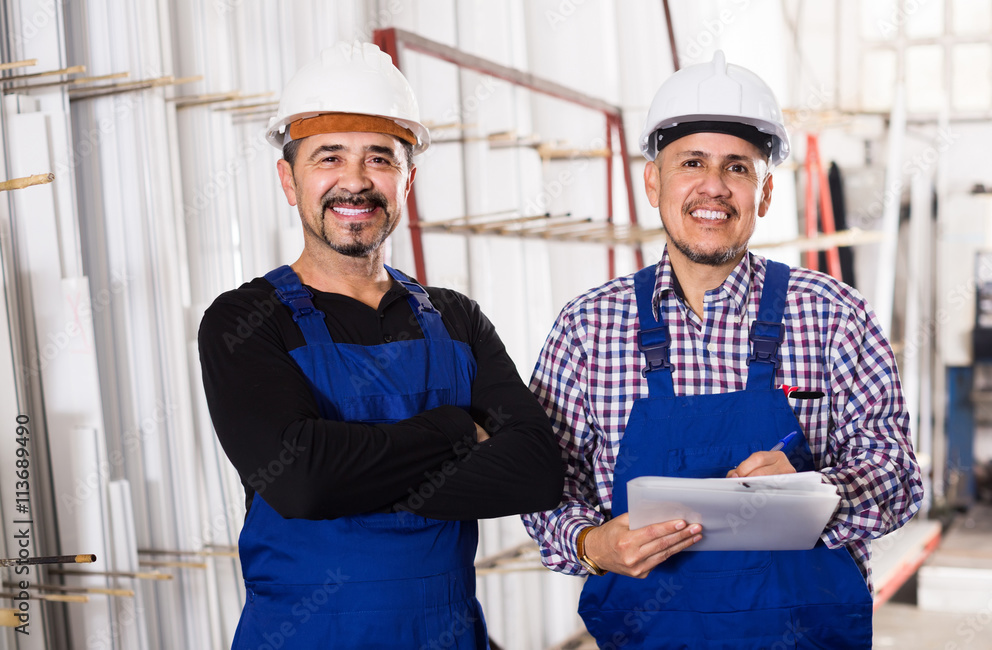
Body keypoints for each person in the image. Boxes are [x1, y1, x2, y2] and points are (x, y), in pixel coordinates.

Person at [522, 50, 923, 649]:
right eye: (692, 162)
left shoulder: (834, 315)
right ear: (654, 181)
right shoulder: (588, 328)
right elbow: (543, 485)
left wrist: (821, 489)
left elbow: (901, 479)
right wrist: (591, 543)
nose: (714, 187)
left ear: (763, 194)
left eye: (738, 167)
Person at [198, 42, 563, 649]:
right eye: (329, 157)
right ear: (289, 179)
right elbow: (300, 479)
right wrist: (452, 429)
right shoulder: (246, 320)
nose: (356, 181)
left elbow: (535, 472)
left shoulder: (456, 318)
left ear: (407, 180)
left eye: (379, 159)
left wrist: (351, 473)